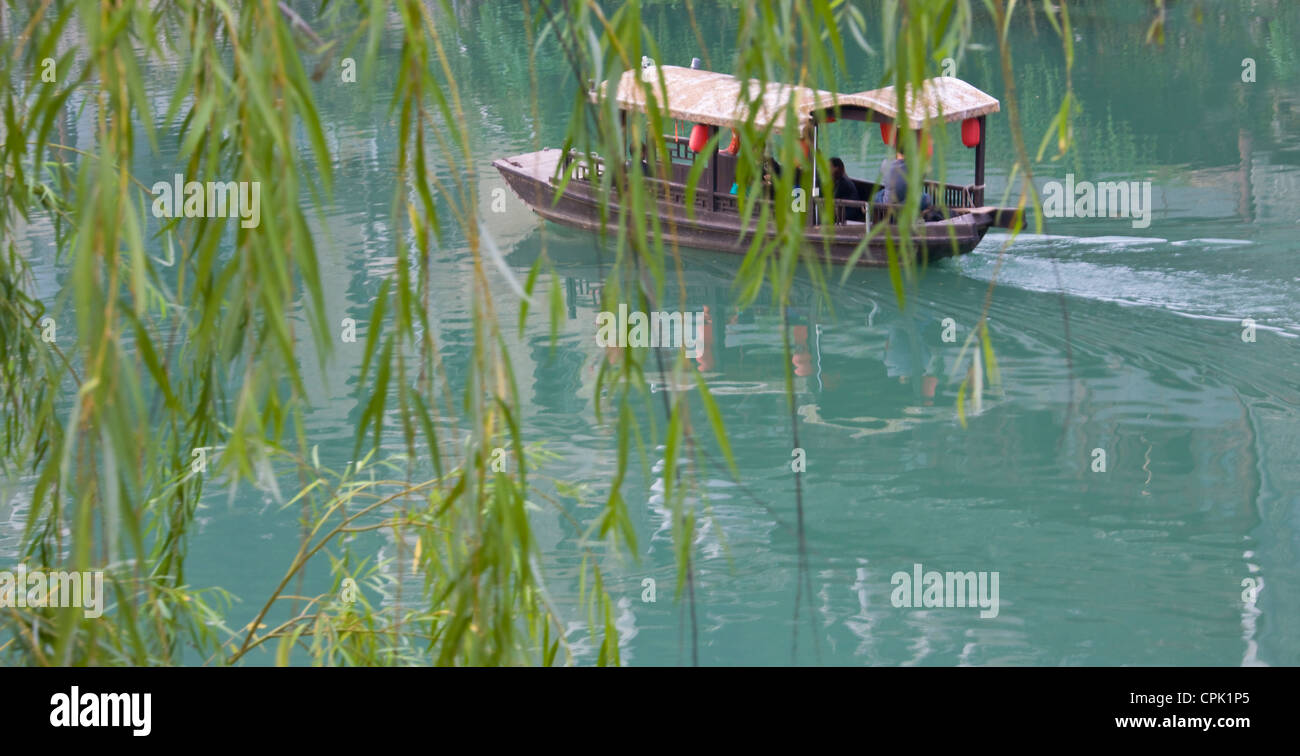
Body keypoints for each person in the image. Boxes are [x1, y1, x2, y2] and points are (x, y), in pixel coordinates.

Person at [829, 157, 864, 222]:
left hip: (850, 212)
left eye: (829, 166)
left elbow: (833, 198)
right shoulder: (840, 179)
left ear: (836, 168)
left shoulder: (843, 182)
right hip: (845, 209)